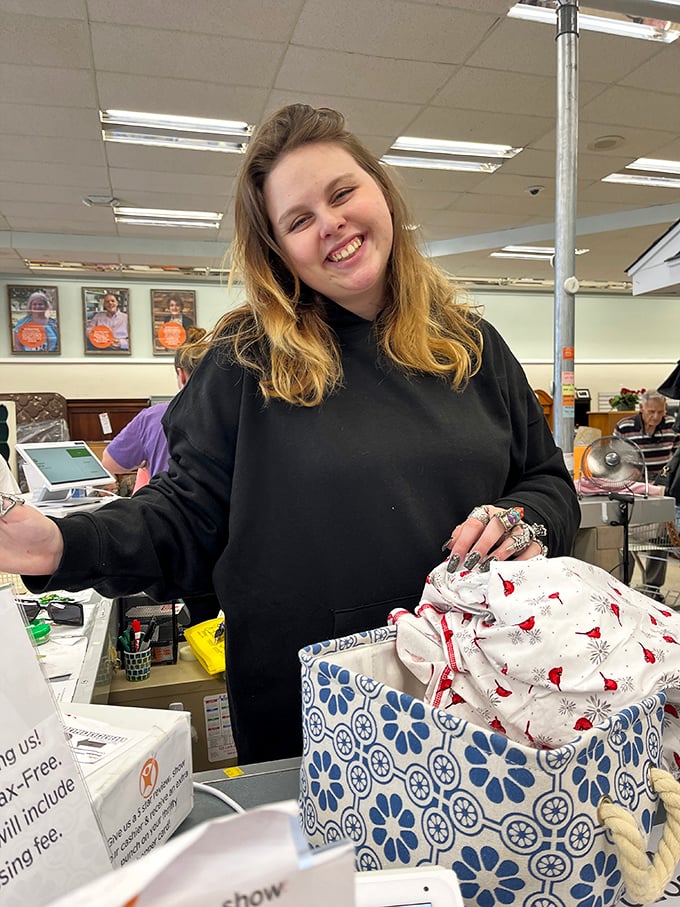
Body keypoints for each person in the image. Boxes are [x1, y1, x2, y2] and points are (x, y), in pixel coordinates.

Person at [0, 104, 580, 765]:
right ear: (277, 250)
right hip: (319, 719)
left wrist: (524, 519)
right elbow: (184, 518)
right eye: (299, 220)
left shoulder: (470, 346)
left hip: (490, 697)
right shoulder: (244, 363)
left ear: (382, 193)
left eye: (343, 193)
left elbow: (546, 482)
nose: (330, 223)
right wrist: (59, 543)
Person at [102, 328, 208, 481]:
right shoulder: (234, 416)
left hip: (167, 495)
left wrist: (143, 461)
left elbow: (109, 462)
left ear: (181, 375)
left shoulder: (154, 416)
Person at [614, 389, 680, 599]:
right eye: (651, 412)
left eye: (660, 412)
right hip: (634, 492)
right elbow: (615, 460)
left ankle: (652, 588)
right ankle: (622, 585)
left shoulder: (672, 426)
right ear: (641, 408)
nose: (656, 417)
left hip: (661, 491)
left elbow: (677, 459)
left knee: (661, 536)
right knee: (626, 537)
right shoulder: (625, 427)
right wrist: (630, 472)